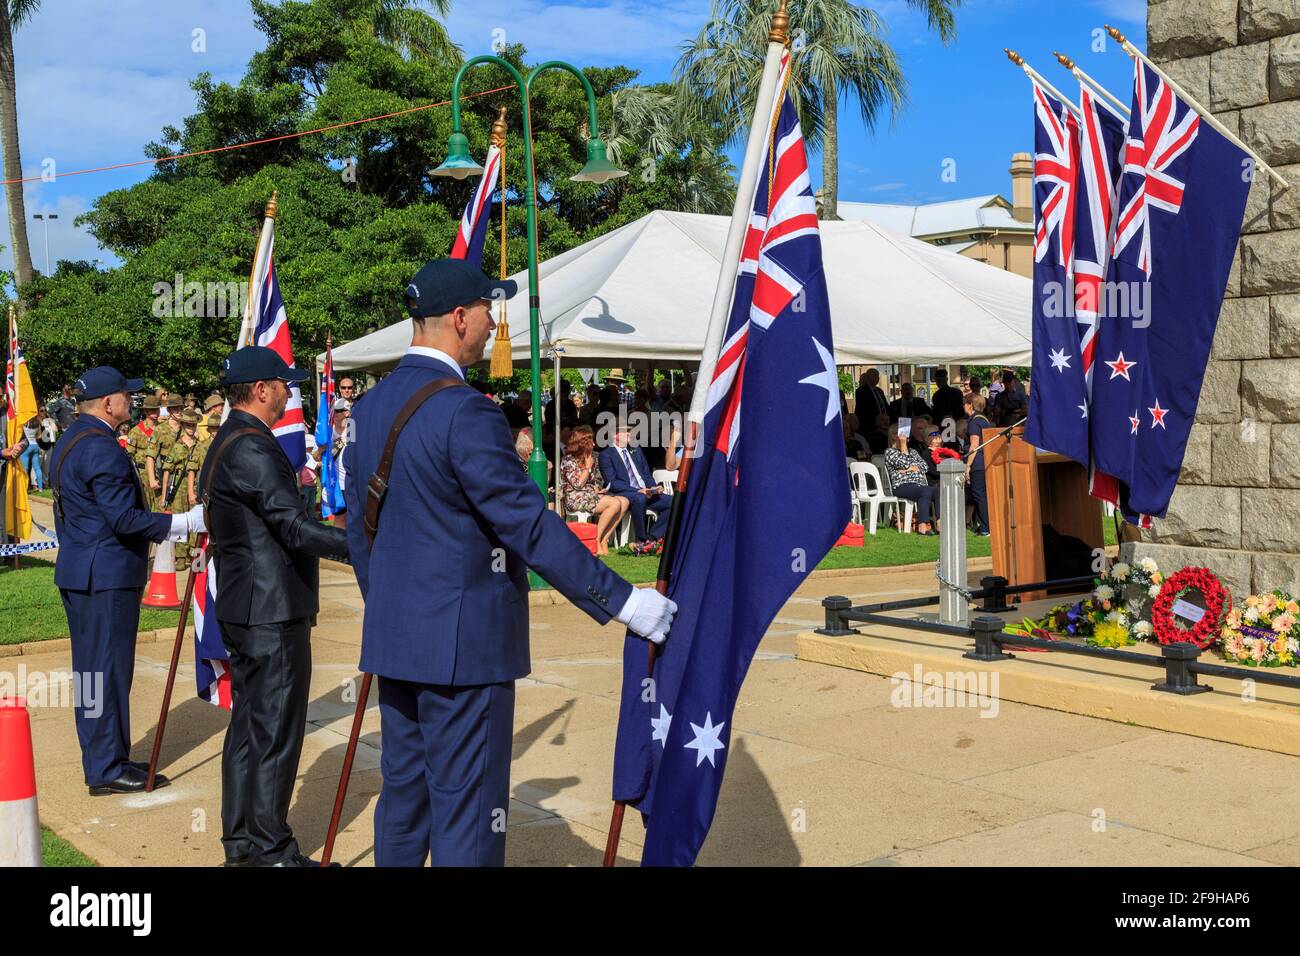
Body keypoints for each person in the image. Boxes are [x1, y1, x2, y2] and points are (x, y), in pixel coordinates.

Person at [342, 259, 675, 867]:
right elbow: (527, 524)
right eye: (489, 312)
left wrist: (391, 607)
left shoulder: (368, 409)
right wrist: (624, 602)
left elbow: (362, 535)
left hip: (397, 638)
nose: (495, 323)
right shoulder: (466, 412)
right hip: (465, 650)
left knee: (404, 803)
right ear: (461, 318)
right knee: (469, 817)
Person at [200, 346, 350, 868]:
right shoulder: (251, 447)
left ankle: (243, 843)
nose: (289, 392)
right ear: (260, 390)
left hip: (248, 607)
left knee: (249, 729)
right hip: (270, 610)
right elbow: (292, 526)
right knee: (275, 733)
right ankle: (270, 847)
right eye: (283, 384)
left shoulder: (231, 440)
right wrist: (363, 547)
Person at [48, 367, 205, 795]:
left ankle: (106, 756)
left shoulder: (72, 439)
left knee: (93, 674)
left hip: (85, 571)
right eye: (125, 395)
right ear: (106, 403)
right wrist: (183, 521)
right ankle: (105, 767)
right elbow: (123, 519)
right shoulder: (101, 448)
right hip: (105, 576)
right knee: (107, 672)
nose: (130, 402)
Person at [561, 424, 628, 555]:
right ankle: (595, 540)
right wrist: (587, 467)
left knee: (624, 501)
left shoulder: (593, 457)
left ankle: (604, 538)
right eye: (591, 441)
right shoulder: (568, 460)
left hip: (591, 494)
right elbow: (577, 485)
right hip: (574, 498)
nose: (594, 444)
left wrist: (598, 488)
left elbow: (595, 480)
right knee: (614, 503)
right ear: (582, 444)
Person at [599, 422, 670, 542]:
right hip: (625, 493)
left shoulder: (636, 450)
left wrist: (654, 487)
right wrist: (638, 490)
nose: (629, 434)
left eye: (629, 431)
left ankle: (652, 538)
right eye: (625, 431)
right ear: (614, 435)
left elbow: (646, 474)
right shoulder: (606, 455)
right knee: (640, 498)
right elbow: (612, 483)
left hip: (646, 492)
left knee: (673, 502)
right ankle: (640, 539)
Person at [884, 424, 936, 535]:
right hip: (901, 485)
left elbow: (924, 466)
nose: (907, 436)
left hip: (918, 485)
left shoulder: (913, 451)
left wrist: (911, 468)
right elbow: (905, 463)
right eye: (903, 433)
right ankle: (922, 526)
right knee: (925, 491)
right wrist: (903, 445)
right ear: (894, 436)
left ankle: (940, 525)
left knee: (938, 490)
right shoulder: (890, 452)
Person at [965, 393, 992, 536]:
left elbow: (974, 445)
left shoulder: (974, 421)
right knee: (983, 495)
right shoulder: (985, 420)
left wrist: (968, 465)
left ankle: (985, 528)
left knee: (978, 494)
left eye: (964, 403)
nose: (963, 406)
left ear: (970, 405)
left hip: (978, 462)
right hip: (987, 461)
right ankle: (986, 526)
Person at [126, 396, 159, 504]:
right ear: (145, 411)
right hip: (143, 475)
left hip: (160, 473)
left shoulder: (163, 429)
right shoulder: (136, 431)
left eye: (157, 409)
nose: (155, 412)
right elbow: (129, 455)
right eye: (152, 409)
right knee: (146, 505)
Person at [18, 415, 43, 490]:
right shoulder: (37, 423)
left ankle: (24, 488)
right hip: (35, 446)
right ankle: (40, 488)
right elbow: (39, 436)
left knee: (24, 468)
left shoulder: (24, 422)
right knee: (37, 468)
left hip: (26, 446)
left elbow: (20, 434)